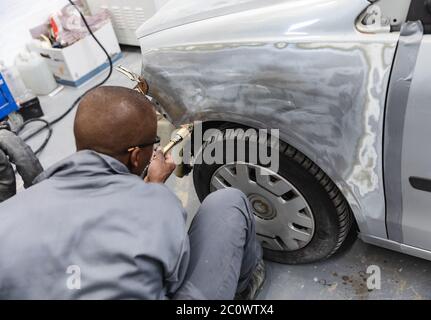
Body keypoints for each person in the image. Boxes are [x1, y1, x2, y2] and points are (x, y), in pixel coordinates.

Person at [0, 86, 264, 299]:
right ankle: (244, 287)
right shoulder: (158, 206)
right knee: (228, 202)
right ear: (137, 156)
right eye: (154, 143)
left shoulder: (7, 215)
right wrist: (153, 191)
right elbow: (172, 277)